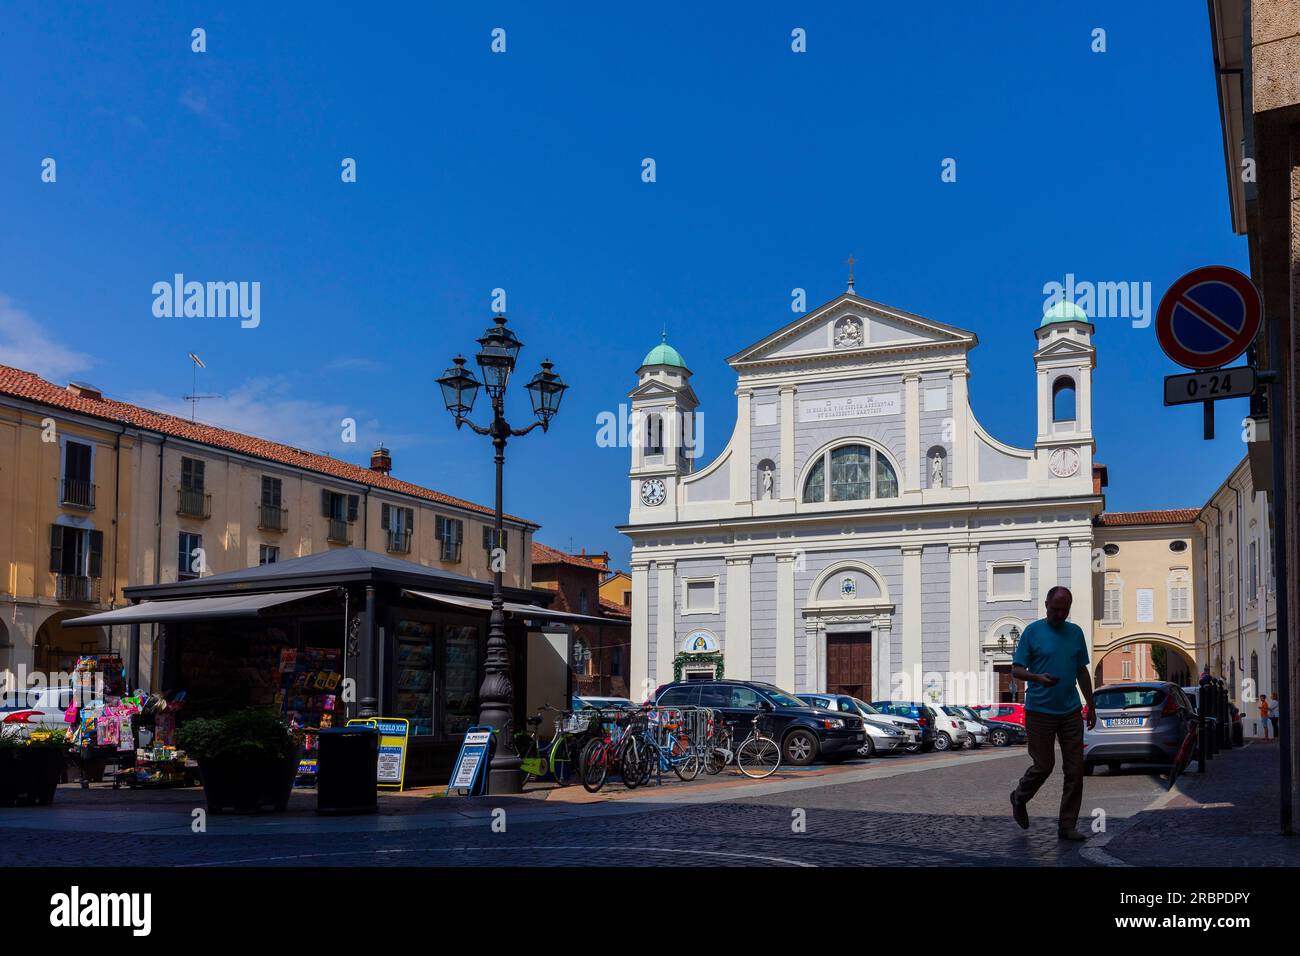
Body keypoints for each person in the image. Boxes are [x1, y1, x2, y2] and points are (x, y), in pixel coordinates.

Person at [1009, 586, 1096, 841]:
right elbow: (1016, 669)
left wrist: (1091, 704)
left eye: (1064, 609)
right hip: (1039, 710)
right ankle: (1019, 796)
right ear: (1046, 605)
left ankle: (1067, 825)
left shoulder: (1075, 633)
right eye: (1055, 608)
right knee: (1044, 766)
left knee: (1075, 770)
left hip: (1070, 710)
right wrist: (1036, 677)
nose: (1060, 614)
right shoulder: (1032, 632)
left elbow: (1081, 671)